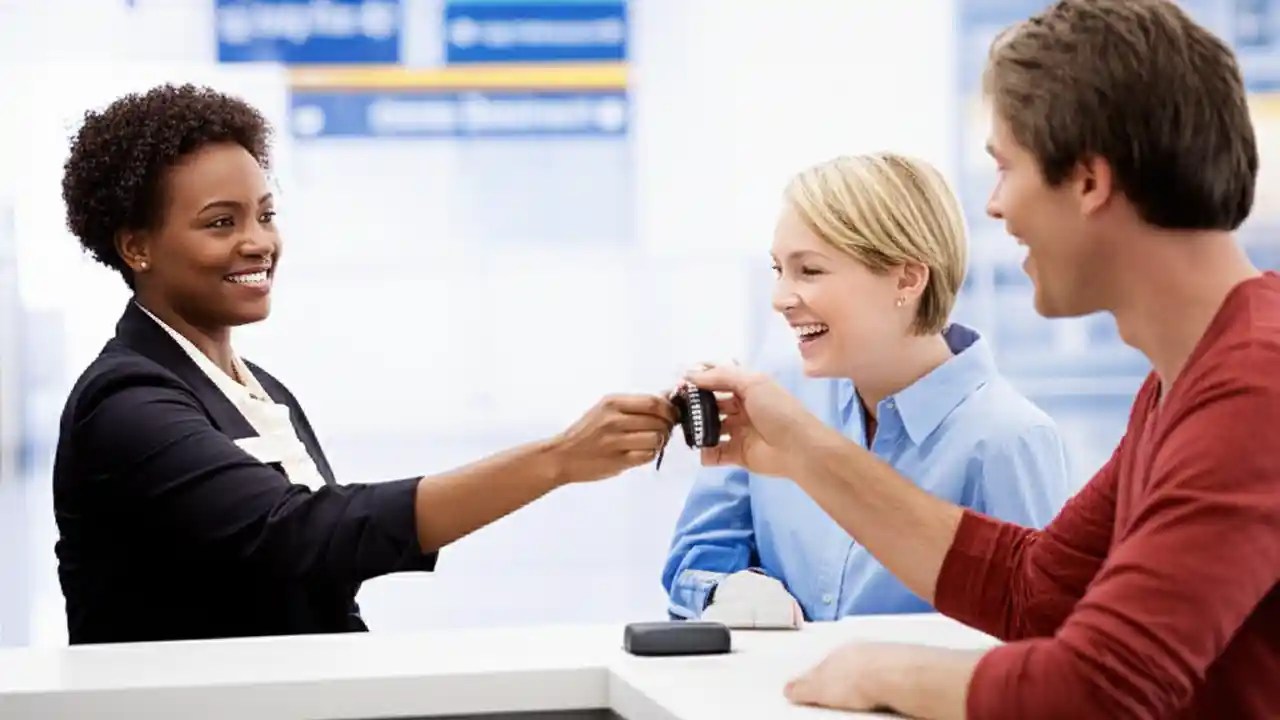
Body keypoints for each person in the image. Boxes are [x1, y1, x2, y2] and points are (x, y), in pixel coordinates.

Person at [685, 0, 1280, 717]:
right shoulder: (1184, 381)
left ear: (1088, 182)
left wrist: (883, 673)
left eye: (1005, 168)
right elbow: (1033, 589)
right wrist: (802, 447)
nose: (995, 207)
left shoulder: (1255, 388)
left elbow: (1099, 688)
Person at [52, 83, 677, 645]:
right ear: (136, 247)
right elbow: (299, 537)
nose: (258, 241)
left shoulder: (260, 391)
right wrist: (557, 460)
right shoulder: (126, 401)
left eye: (266, 214)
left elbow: (323, 583)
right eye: (221, 223)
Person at [661, 153, 1070, 627]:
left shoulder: (1009, 439)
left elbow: (1038, 632)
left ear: (908, 278)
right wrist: (729, 592)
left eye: (809, 270)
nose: (780, 299)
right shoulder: (772, 399)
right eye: (778, 269)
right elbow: (693, 565)